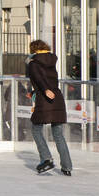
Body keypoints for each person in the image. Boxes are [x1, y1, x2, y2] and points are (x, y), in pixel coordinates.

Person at [26, 39, 72, 176]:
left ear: (33, 50)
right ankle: (67, 166)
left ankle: (46, 159)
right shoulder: (51, 61)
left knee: (36, 129)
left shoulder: (33, 63)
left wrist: (45, 90)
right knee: (58, 134)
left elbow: (39, 78)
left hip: (45, 99)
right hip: (57, 98)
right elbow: (50, 79)